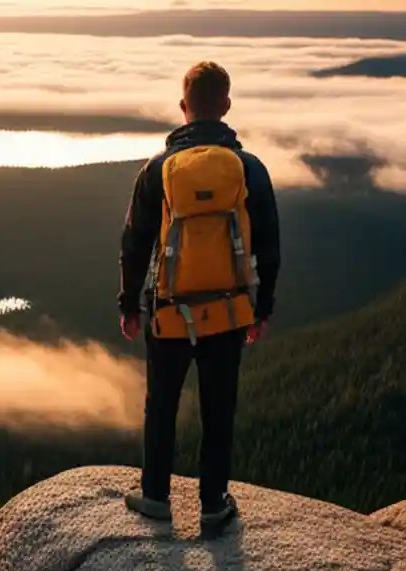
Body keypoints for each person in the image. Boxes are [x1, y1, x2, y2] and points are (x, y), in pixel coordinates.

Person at [118, 61, 281, 530]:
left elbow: (134, 241)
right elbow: (268, 246)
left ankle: (155, 497)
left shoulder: (159, 169)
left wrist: (130, 305)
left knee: (161, 403)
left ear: (184, 106)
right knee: (219, 405)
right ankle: (213, 504)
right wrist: (260, 309)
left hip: (168, 312)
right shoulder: (248, 169)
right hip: (228, 312)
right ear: (226, 105)